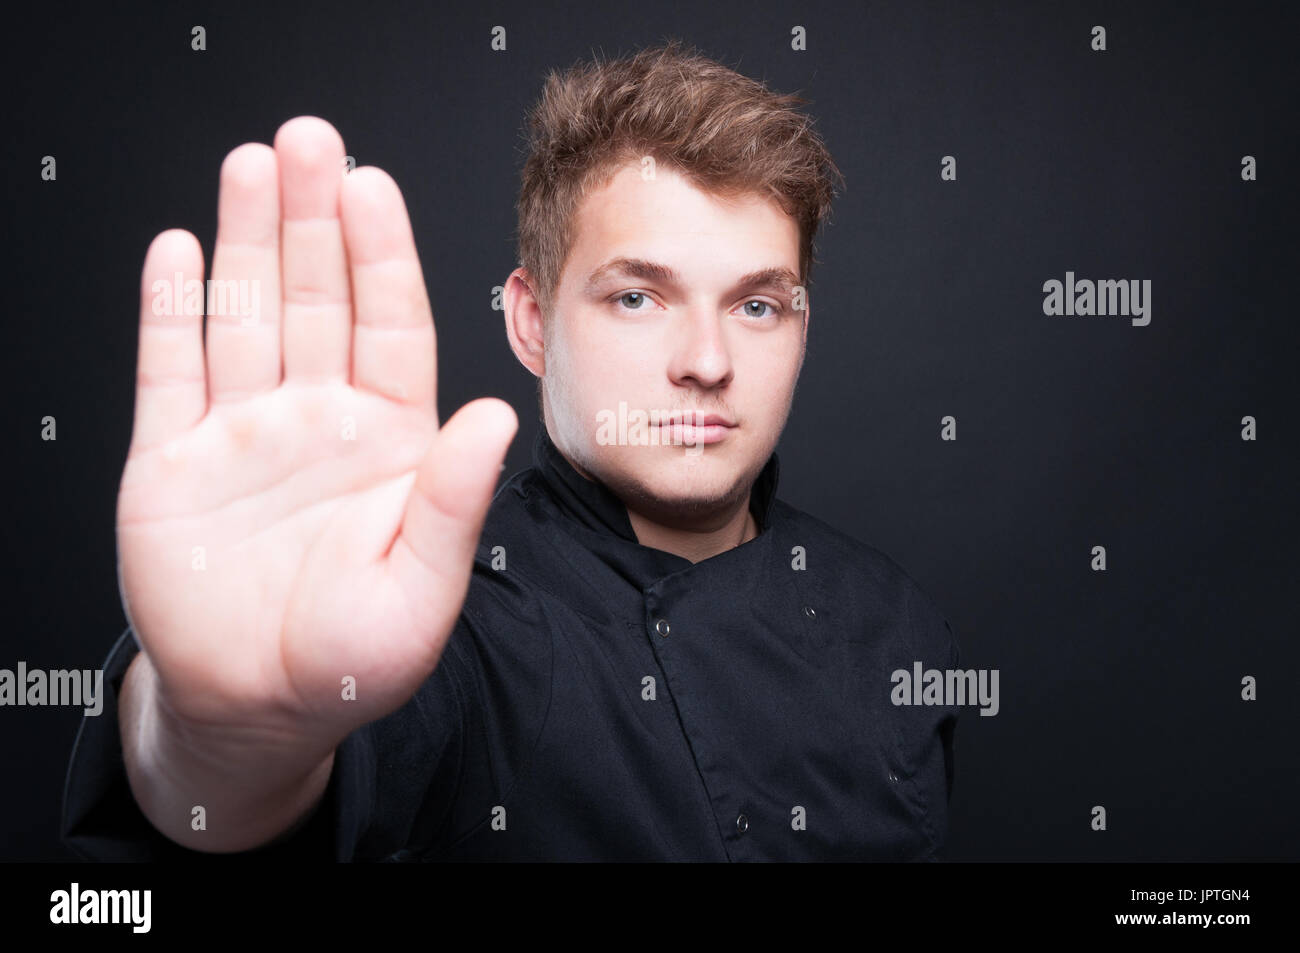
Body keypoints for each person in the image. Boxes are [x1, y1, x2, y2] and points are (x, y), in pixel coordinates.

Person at [61, 38, 960, 862]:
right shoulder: (448, 617)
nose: (708, 363)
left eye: (757, 305)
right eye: (637, 298)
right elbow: (249, 800)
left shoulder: (893, 619)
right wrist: (228, 738)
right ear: (531, 322)